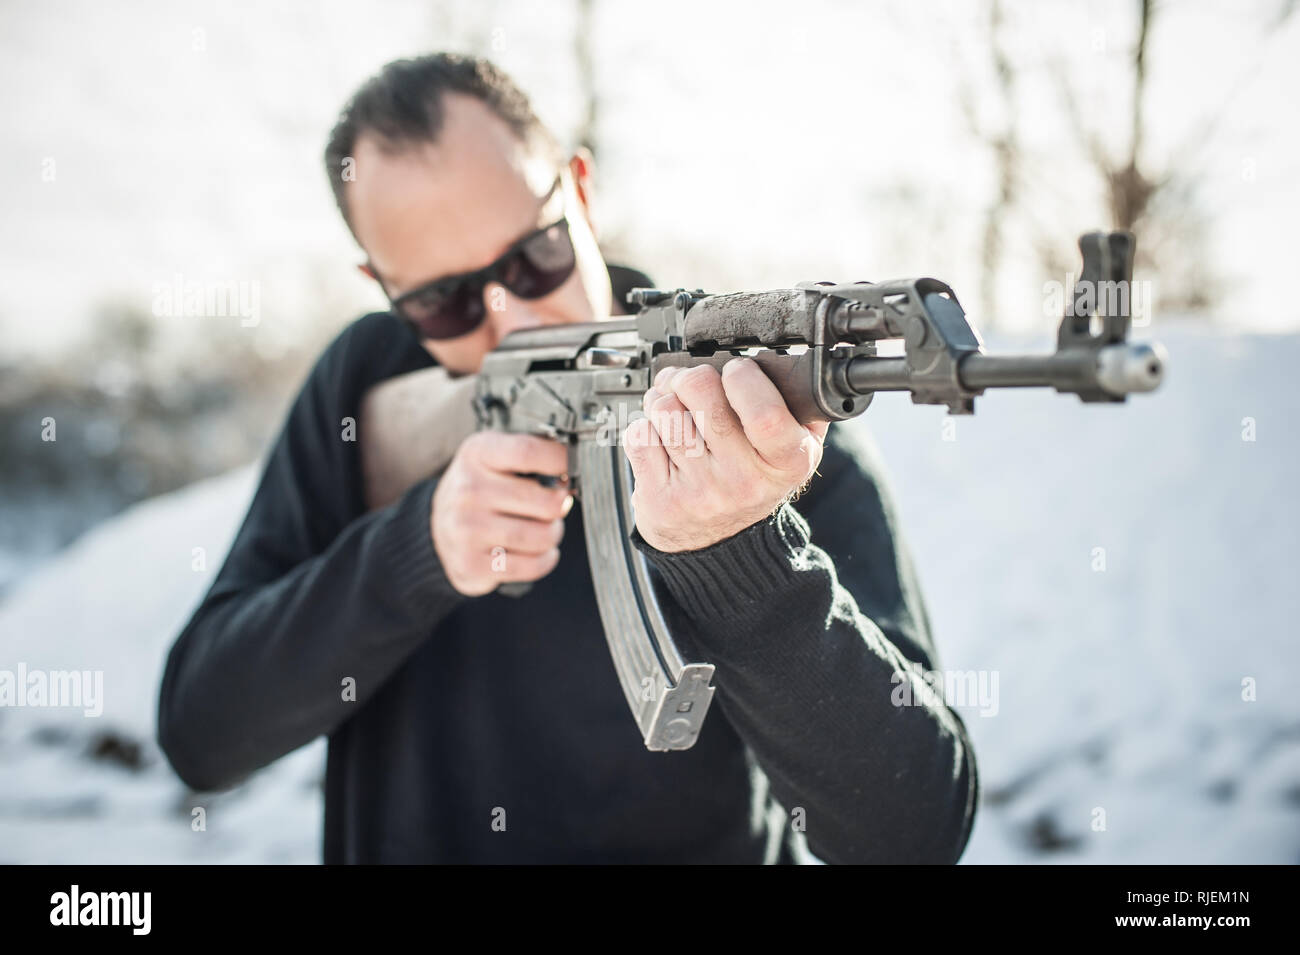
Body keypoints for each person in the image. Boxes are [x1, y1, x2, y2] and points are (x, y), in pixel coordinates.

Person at [157, 53, 979, 864]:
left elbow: (911, 834)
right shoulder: (365, 387)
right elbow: (200, 733)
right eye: (443, 302)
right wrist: (416, 553)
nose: (510, 320)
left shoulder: (751, 402)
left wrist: (745, 559)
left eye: (531, 259)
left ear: (578, 190)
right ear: (381, 284)